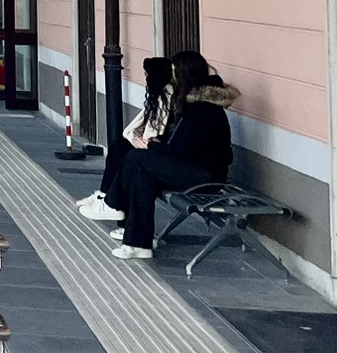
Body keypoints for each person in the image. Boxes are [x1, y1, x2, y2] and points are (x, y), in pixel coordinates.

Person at [83, 49, 237, 260]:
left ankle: (113, 204)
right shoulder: (195, 106)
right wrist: (158, 143)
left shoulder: (204, 110)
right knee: (142, 177)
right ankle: (138, 244)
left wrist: (152, 147)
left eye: (175, 72)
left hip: (205, 178)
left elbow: (183, 151)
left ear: (184, 76)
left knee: (136, 158)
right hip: (193, 169)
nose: (172, 78)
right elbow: (183, 145)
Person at [75, 58, 175, 218]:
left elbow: (157, 129)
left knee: (126, 155)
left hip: (159, 153)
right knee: (119, 147)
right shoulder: (159, 95)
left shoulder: (166, 96)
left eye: (147, 73)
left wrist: (141, 140)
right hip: (155, 148)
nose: (145, 77)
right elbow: (141, 125)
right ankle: (104, 197)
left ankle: (111, 203)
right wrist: (136, 137)